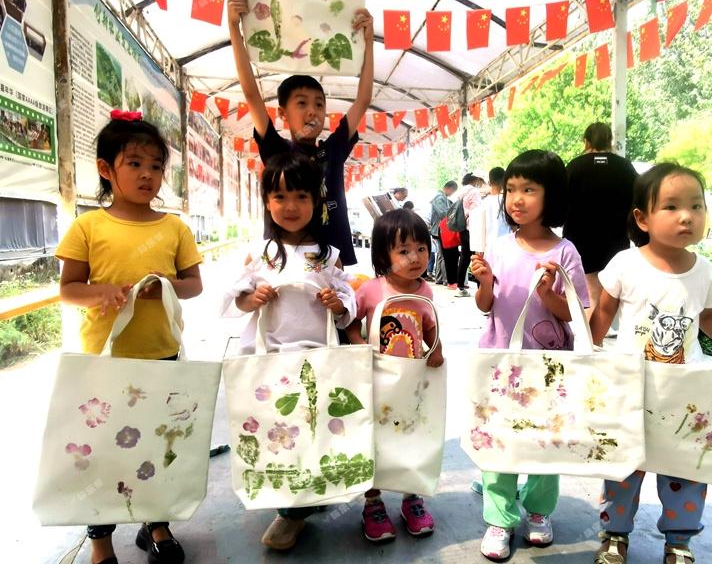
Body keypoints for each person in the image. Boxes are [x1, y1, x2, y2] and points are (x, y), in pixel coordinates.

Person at [589, 163, 712, 564]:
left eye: (696, 206)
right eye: (670, 206)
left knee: (686, 465)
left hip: (685, 394)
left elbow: (707, 316)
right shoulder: (625, 264)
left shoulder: (702, 269)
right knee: (624, 465)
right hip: (632, 389)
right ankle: (615, 534)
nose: (687, 215)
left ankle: (679, 540)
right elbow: (603, 311)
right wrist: (588, 353)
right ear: (642, 218)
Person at [56, 112, 203, 564]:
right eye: (135, 163)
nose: (147, 174)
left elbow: (194, 284)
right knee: (99, 453)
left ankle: (156, 524)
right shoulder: (88, 227)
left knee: (158, 444)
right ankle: (100, 543)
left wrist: (166, 287)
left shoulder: (174, 227)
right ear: (106, 170)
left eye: (156, 166)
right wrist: (101, 292)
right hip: (105, 362)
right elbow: (68, 289)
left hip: (161, 357)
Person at [221, 151, 356, 549]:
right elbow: (233, 303)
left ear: (316, 201)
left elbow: (349, 305)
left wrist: (338, 305)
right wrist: (253, 297)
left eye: (300, 196)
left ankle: (293, 511)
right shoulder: (260, 253)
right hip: (269, 360)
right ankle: (293, 504)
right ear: (267, 202)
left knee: (309, 432)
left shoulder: (328, 256)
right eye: (279, 197)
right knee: (280, 433)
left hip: (318, 361)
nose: (290, 206)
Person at [470, 150, 589, 560]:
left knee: (544, 437)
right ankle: (499, 518)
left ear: (551, 195)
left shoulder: (565, 252)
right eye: (512, 189)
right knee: (500, 437)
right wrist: (484, 282)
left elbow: (575, 313)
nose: (516, 198)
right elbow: (486, 306)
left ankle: (538, 511)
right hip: (501, 362)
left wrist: (547, 294)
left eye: (529, 189)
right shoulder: (499, 248)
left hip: (550, 368)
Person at [227, 0, 374, 266]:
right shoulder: (276, 151)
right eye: (302, 103)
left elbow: (363, 99)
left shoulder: (333, 150)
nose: (312, 111)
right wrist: (234, 28)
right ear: (282, 113)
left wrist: (368, 41)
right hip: (283, 258)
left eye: (319, 104)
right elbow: (251, 94)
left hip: (333, 259)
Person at [345, 209, 444, 542]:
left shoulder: (425, 292)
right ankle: (372, 503)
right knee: (374, 439)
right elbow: (348, 321)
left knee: (410, 436)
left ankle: (410, 496)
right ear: (383, 255)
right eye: (403, 251)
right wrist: (360, 348)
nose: (414, 258)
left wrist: (436, 349)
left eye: (421, 248)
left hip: (412, 383)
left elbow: (429, 326)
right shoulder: (372, 290)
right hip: (376, 381)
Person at [563, 122, 638, 320]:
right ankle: (601, 327)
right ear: (610, 141)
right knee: (610, 283)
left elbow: (560, 200)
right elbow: (638, 198)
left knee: (589, 287)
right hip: (615, 235)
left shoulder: (574, 167)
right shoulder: (625, 167)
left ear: (586, 141)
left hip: (580, 236)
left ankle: (590, 330)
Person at [454, 173, 484, 296]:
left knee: (465, 257)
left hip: (462, 228)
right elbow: (477, 211)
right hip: (473, 228)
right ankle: (480, 288)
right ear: (475, 180)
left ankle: (460, 287)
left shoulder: (461, 192)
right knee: (477, 258)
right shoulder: (474, 192)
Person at [430, 180, 458, 285]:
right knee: (443, 255)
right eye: (453, 191)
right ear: (449, 188)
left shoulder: (442, 198)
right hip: (439, 230)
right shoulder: (440, 198)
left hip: (439, 229)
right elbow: (443, 214)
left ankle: (440, 278)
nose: (452, 194)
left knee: (441, 255)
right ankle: (445, 279)